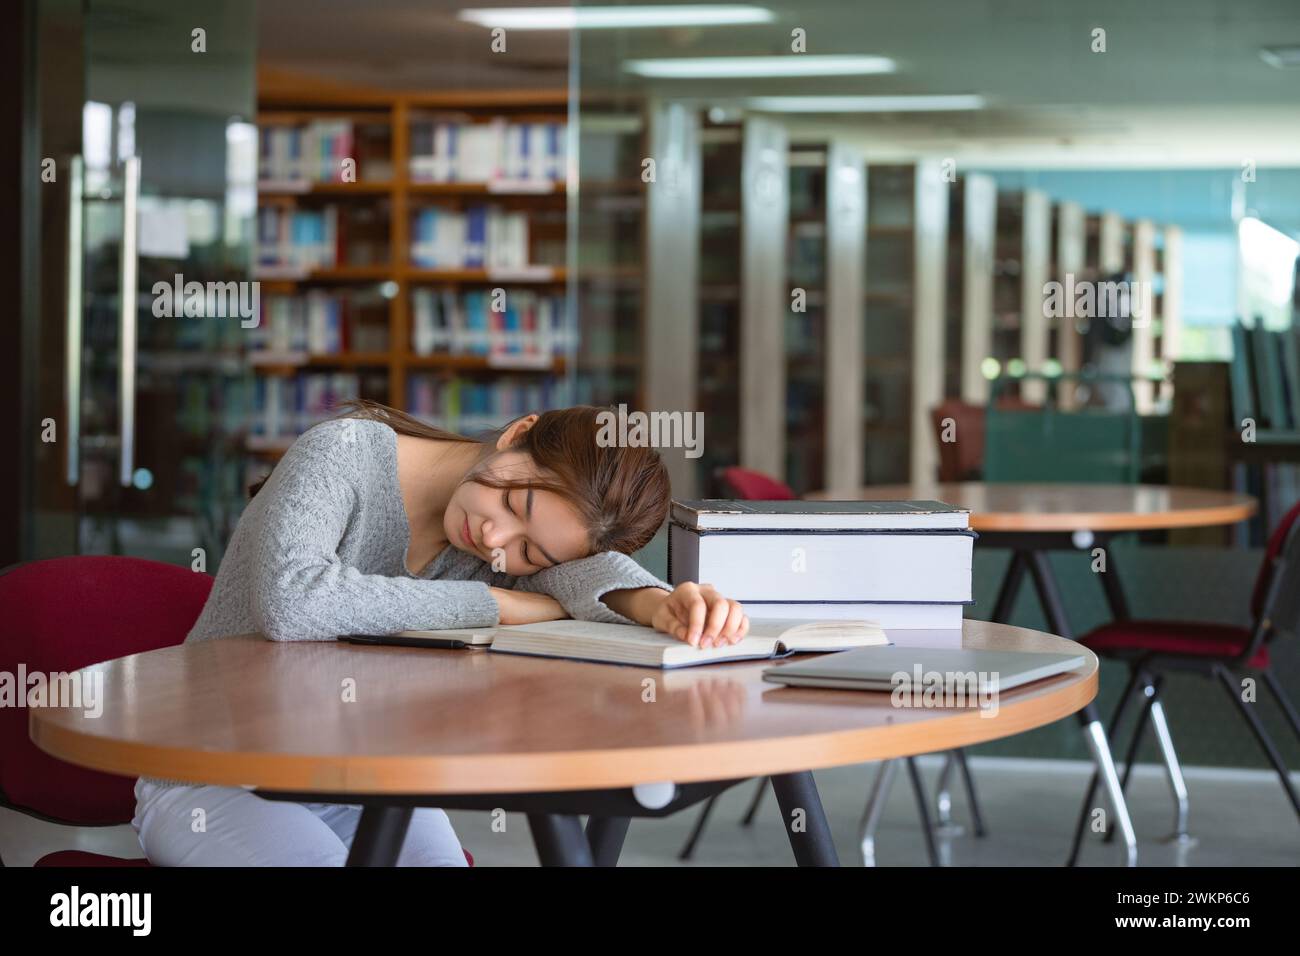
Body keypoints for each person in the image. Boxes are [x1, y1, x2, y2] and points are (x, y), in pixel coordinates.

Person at [131, 401, 749, 865]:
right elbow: (291, 602)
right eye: (518, 506)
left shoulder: (503, 546)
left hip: (361, 781)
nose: (496, 541)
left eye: (531, 553)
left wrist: (665, 604)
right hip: (210, 778)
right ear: (517, 433)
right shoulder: (343, 453)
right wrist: (492, 604)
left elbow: (589, 576)